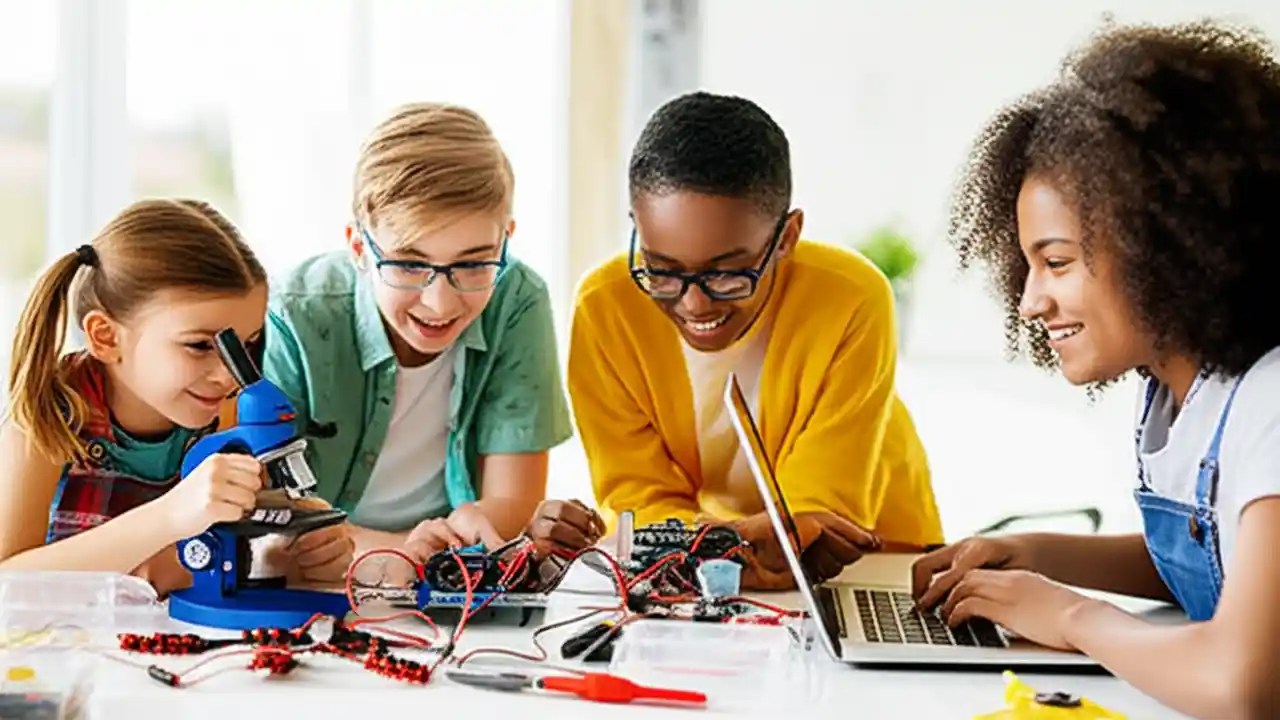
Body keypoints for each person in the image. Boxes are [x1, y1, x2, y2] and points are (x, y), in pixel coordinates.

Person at [915, 20, 1280, 719]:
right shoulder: (1180, 393)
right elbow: (1219, 565)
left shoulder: (1269, 398)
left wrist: (1072, 617)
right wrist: (1035, 555)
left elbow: (1244, 686)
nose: (1029, 301)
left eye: (1056, 263)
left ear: (1165, 245)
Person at [568, 91, 942, 589]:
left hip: (873, 564)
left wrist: (715, 548)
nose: (694, 305)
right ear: (637, 228)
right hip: (721, 574)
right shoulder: (604, 308)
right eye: (661, 271)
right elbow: (638, 502)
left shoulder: (853, 298)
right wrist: (727, 551)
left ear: (786, 237)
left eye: (728, 275)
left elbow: (814, 522)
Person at [262, 103, 587, 563]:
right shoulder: (293, 315)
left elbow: (514, 498)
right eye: (409, 264)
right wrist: (403, 550)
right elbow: (272, 517)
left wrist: (466, 530)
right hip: (329, 577)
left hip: (446, 572)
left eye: (473, 263)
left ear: (505, 240)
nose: (440, 303)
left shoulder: (517, 298)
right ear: (359, 246)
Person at [0, 199, 352, 595]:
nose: (227, 377)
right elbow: (9, 580)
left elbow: (223, 546)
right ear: (105, 336)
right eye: (200, 345)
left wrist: (303, 547)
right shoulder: (46, 417)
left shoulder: (224, 412)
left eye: (246, 348)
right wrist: (169, 517)